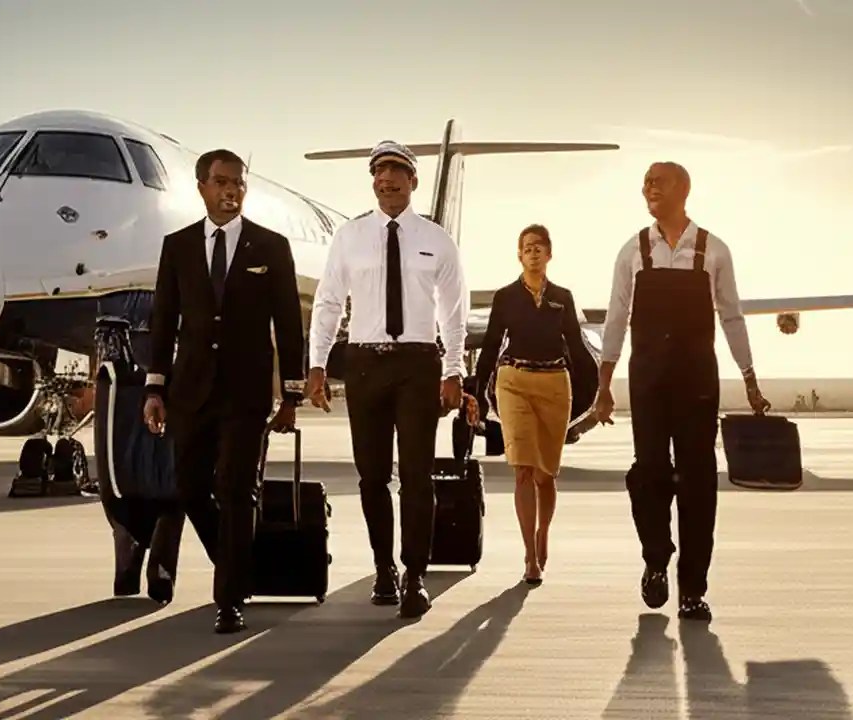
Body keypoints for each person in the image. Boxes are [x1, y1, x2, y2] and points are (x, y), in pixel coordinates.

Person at [594, 161, 770, 621]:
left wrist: (749, 378)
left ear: (683, 190)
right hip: (648, 381)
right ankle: (656, 558)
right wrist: (603, 384)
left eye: (659, 180)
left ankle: (692, 588)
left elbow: (732, 316)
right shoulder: (633, 251)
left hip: (696, 384)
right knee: (647, 474)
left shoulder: (713, 251)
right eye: (646, 180)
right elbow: (616, 317)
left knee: (698, 484)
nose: (649, 186)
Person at [142, 148, 305, 634]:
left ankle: (229, 599)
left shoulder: (271, 247)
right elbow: (163, 321)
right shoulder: (178, 246)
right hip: (190, 391)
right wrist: (155, 387)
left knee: (235, 490)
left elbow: (289, 325)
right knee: (191, 487)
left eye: (239, 183)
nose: (231, 190)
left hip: (246, 394)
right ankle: (235, 565)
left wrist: (291, 395)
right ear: (202, 188)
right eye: (222, 182)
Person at [305, 139, 468, 619]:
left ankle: (415, 575)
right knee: (372, 476)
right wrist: (317, 364)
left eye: (397, 172)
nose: (388, 180)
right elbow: (330, 302)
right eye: (380, 172)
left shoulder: (437, 239)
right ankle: (383, 570)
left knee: (417, 476)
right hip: (363, 364)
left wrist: (454, 370)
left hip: (418, 363)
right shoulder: (349, 237)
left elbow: (454, 311)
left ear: (413, 182)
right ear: (372, 180)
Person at [472, 224, 595, 586]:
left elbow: (576, 344)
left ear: (550, 253)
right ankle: (529, 554)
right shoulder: (506, 297)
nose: (534, 252)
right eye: (527, 247)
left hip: (555, 382)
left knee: (546, 474)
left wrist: (599, 394)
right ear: (519, 255)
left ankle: (543, 533)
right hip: (515, 381)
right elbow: (491, 345)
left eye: (540, 247)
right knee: (523, 469)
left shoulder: (563, 297)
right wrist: (477, 393)